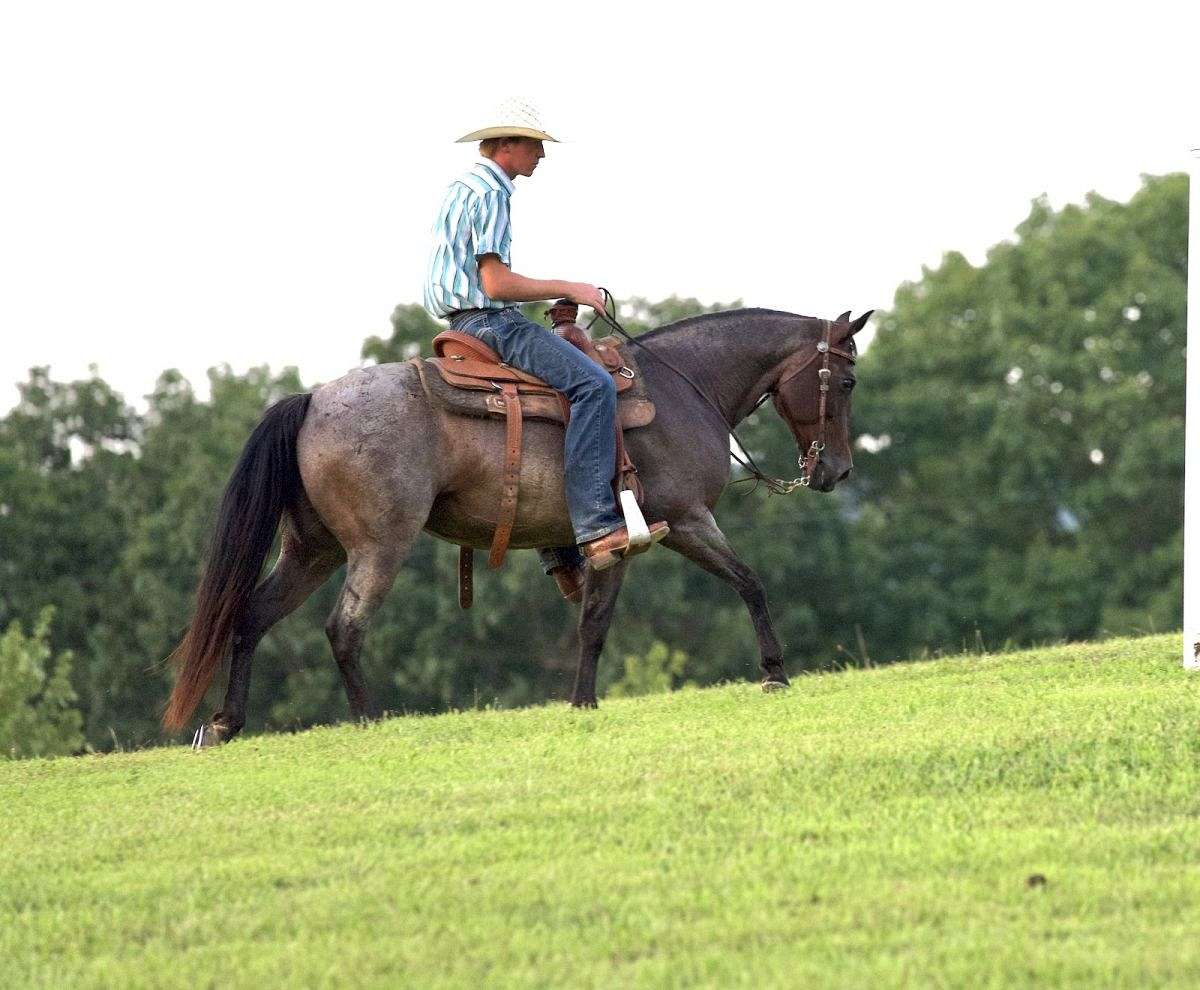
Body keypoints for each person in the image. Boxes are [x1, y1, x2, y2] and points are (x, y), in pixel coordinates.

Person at [423, 99, 667, 602]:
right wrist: (572, 288)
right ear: (507, 144)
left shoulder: (461, 185)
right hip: (489, 323)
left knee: (545, 398)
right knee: (593, 385)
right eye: (535, 145)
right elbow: (495, 281)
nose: (541, 155)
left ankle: (556, 552)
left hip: (459, 323)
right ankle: (597, 526)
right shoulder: (493, 191)